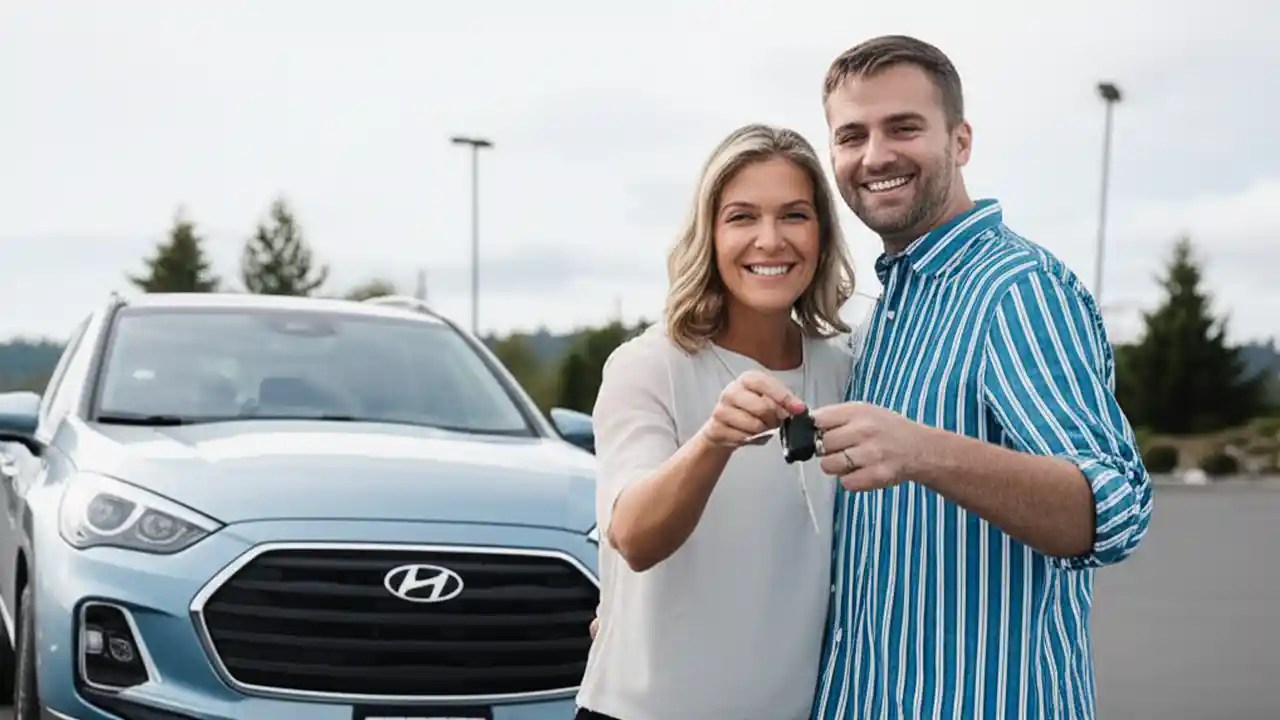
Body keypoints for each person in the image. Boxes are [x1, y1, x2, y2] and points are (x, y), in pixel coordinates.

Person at [805, 35, 1154, 719]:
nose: (874, 156)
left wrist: (922, 451)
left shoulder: (1017, 289)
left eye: (903, 127)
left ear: (960, 141)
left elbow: (1114, 511)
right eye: (851, 136)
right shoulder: (880, 318)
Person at [574, 123, 858, 720]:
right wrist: (714, 439)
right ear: (710, 233)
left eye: (795, 215)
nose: (770, 240)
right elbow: (633, 537)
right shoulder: (648, 366)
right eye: (742, 217)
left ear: (823, 234)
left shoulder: (846, 370)